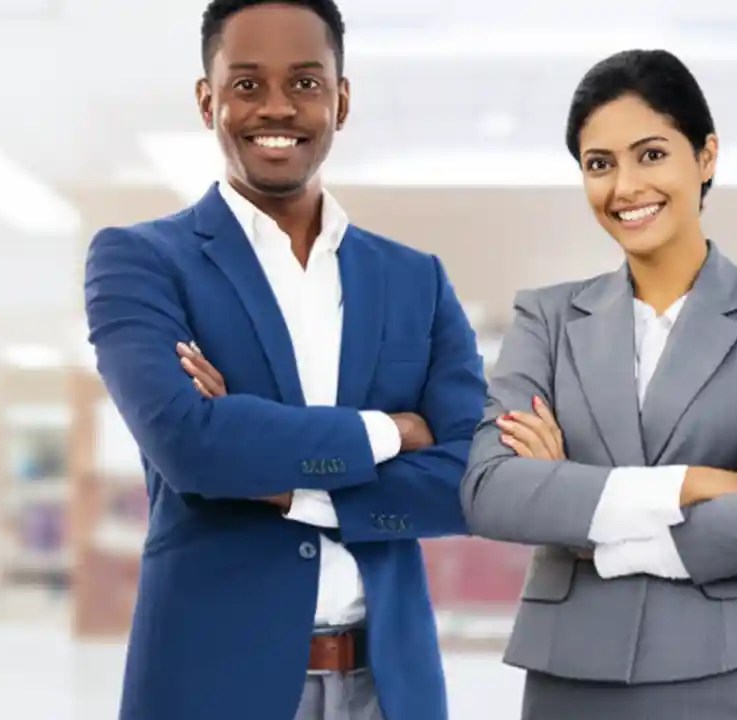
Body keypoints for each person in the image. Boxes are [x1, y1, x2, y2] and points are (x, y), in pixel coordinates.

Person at [83, 1, 485, 718]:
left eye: (304, 83)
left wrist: (283, 484)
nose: (277, 107)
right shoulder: (141, 261)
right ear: (207, 101)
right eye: (246, 85)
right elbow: (190, 447)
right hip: (213, 686)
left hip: (388, 688)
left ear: (342, 99)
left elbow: (469, 478)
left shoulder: (415, 279)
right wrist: (392, 432)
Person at [461, 48, 737, 720]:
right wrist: (686, 484)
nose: (625, 186)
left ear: (707, 157)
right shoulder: (546, 318)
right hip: (571, 677)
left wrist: (583, 521)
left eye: (652, 154)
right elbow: (492, 492)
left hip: (734, 673)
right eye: (599, 164)